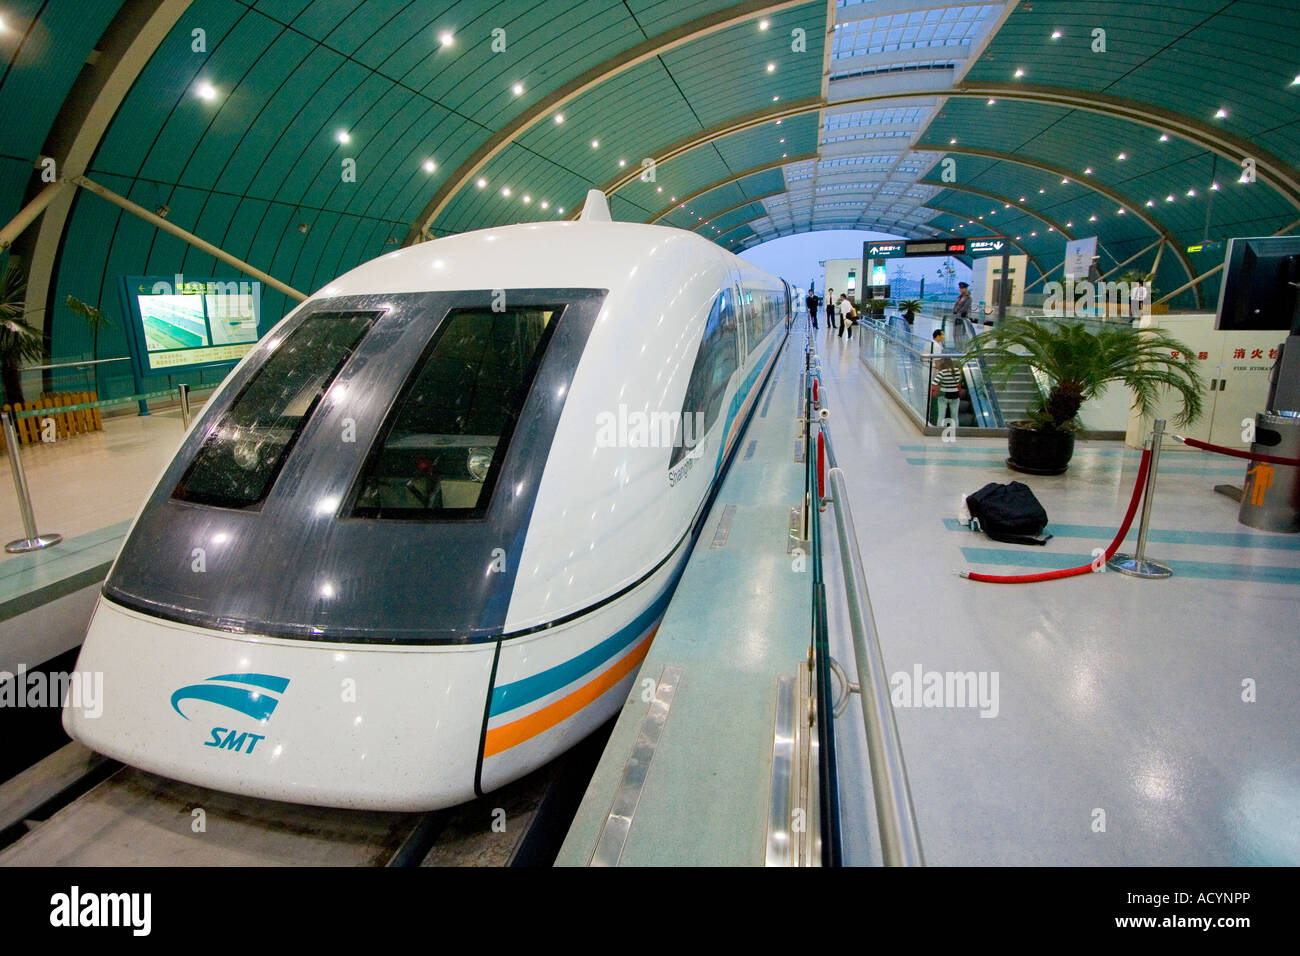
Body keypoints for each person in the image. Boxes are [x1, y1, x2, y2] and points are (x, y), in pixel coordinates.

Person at [931, 357, 963, 426]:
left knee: (941, 416)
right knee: (954, 416)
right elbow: (958, 381)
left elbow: (934, 383)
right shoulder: (957, 371)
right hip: (955, 395)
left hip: (943, 395)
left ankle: (939, 431)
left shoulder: (942, 372)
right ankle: (955, 431)